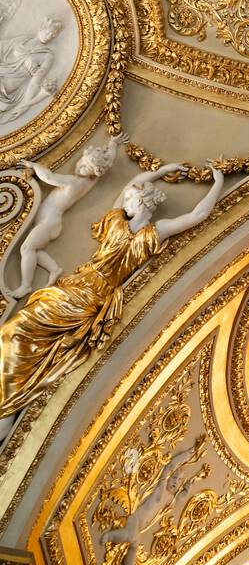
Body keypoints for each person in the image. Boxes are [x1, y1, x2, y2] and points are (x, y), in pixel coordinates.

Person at [0, 163, 224, 445]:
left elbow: (197, 215)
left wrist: (217, 181)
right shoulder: (135, 228)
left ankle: (8, 403)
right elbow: (149, 189)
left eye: (129, 198)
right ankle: (9, 400)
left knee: (19, 335)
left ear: (137, 203)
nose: (124, 200)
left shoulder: (145, 232)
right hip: (76, 290)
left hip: (85, 296)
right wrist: (163, 170)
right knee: (16, 333)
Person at [4, 134, 128, 299]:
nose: (80, 167)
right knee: (34, 249)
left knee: (26, 249)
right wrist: (112, 145)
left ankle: (26, 285)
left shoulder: (73, 182)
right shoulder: (91, 180)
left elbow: (48, 177)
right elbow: (107, 162)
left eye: (85, 167)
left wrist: (33, 165)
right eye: (82, 162)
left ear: (94, 172)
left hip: (49, 223)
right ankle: (55, 269)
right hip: (49, 223)